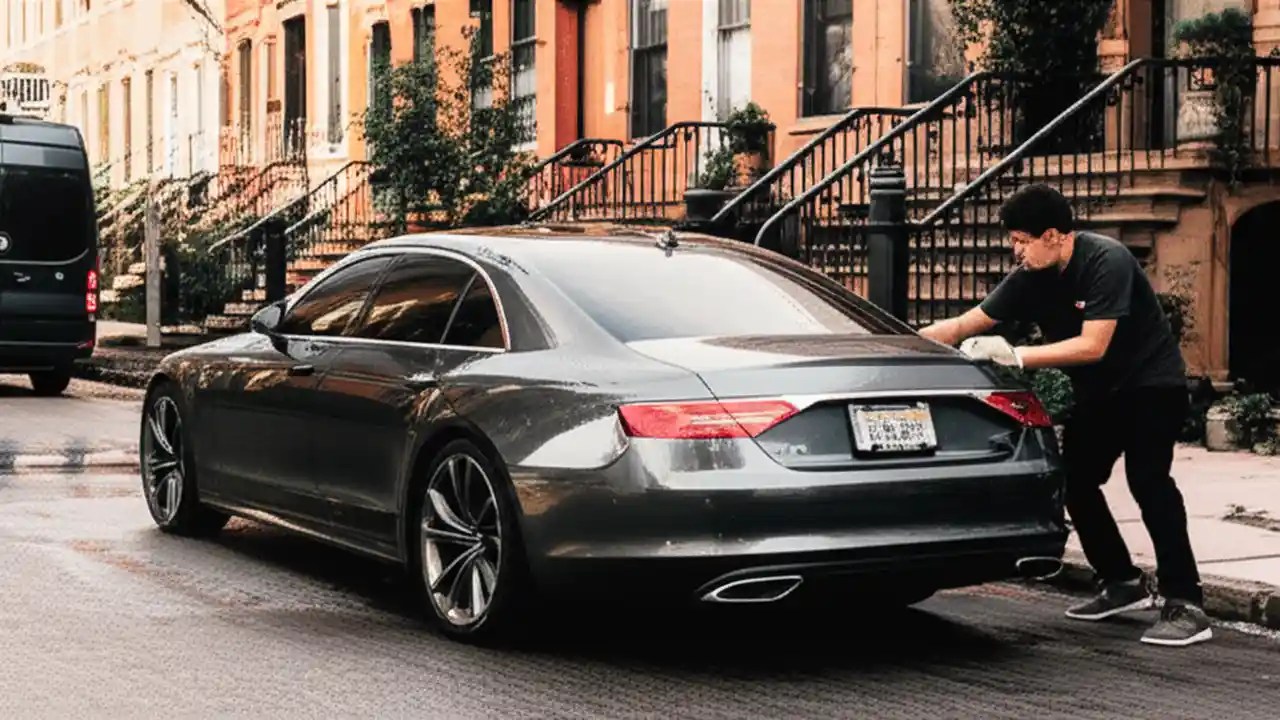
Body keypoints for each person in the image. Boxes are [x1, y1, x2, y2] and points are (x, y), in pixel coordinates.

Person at [918, 183, 1210, 647]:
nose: (1016, 251)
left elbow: (1093, 346)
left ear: (1053, 235)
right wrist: (898, 339)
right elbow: (963, 324)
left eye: (1021, 240)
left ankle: (1186, 602)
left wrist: (1015, 356)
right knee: (1073, 480)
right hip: (1101, 396)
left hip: (1151, 387)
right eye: (1013, 240)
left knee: (1148, 481)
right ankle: (1121, 582)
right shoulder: (1031, 274)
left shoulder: (1106, 261)